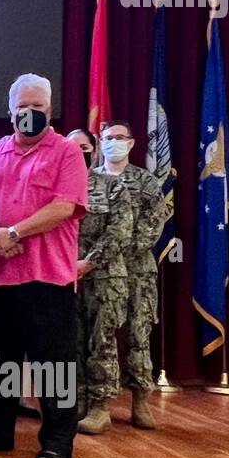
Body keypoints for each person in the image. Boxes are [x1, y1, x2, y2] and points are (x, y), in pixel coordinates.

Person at [0, 73, 87, 458]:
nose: (30, 113)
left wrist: (14, 231)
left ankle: (57, 440)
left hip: (48, 275)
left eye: (39, 107)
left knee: (54, 364)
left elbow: (64, 206)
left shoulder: (66, 152)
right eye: (24, 106)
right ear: (10, 109)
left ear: (50, 109)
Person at [97, 119, 169, 429]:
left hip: (138, 271)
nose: (114, 142)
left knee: (139, 336)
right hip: (101, 273)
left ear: (132, 142)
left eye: (120, 137)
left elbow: (154, 224)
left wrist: (120, 252)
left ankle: (141, 401)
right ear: (100, 142)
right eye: (108, 137)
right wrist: (101, 257)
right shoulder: (90, 180)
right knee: (101, 337)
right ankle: (99, 403)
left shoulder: (146, 181)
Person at [74, 154, 133, 434]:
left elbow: (120, 231)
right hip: (64, 277)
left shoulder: (112, 186)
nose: (78, 152)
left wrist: (89, 262)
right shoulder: (57, 184)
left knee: (101, 342)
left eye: (83, 147)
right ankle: (77, 401)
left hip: (104, 277)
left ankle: (101, 406)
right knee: (72, 342)